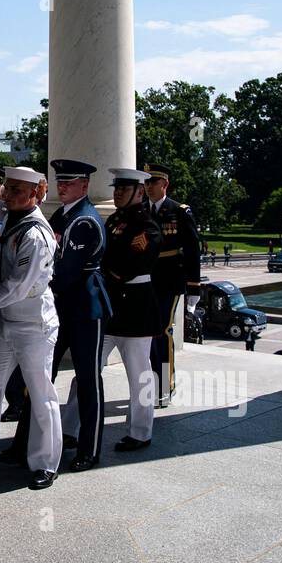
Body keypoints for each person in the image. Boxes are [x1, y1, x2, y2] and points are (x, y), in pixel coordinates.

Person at [0, 166, 61, 490]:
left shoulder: (36, 234)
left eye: (18, 190)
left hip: (34, 327)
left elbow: (18, 286)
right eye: (8, 188)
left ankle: (45, 464)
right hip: (6, 323)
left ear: (35, 194)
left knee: (42, 394)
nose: (9, 194)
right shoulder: (12, 222)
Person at [10, 159, 112, 471]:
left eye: (70, 181)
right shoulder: (63, 215)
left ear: (85, 185)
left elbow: (63, 271)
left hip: (84, 310)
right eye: (60, 181)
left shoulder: (84, 221)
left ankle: (89, 449)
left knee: (87, 380)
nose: (63, 186)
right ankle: (22, 445)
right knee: (39, 378)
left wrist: (32, 285)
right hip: (61, 307)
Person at [102, 168, 163, 452]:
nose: (116, 193)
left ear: (139, 192)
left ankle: (141, 432)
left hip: (135, 308)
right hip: (109, 306)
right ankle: (72, 428)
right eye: (116, 189)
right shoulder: (115, 220)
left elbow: (128, 266)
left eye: (123, 190)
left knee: (140, 375)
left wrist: (101, 271)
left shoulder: (147, 226)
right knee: (87, 370)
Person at [143, 163, 201, 408]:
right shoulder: (140, 211)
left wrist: (194, 286)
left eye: (153, 182)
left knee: (162, 332)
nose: (148, 187)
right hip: (145, 281)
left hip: (169, 280)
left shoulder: (179, 211)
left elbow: (192, 250)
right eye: (146, 183)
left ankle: (166, 386)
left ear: (165, 184)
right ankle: (152, 384)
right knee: (147, 334)